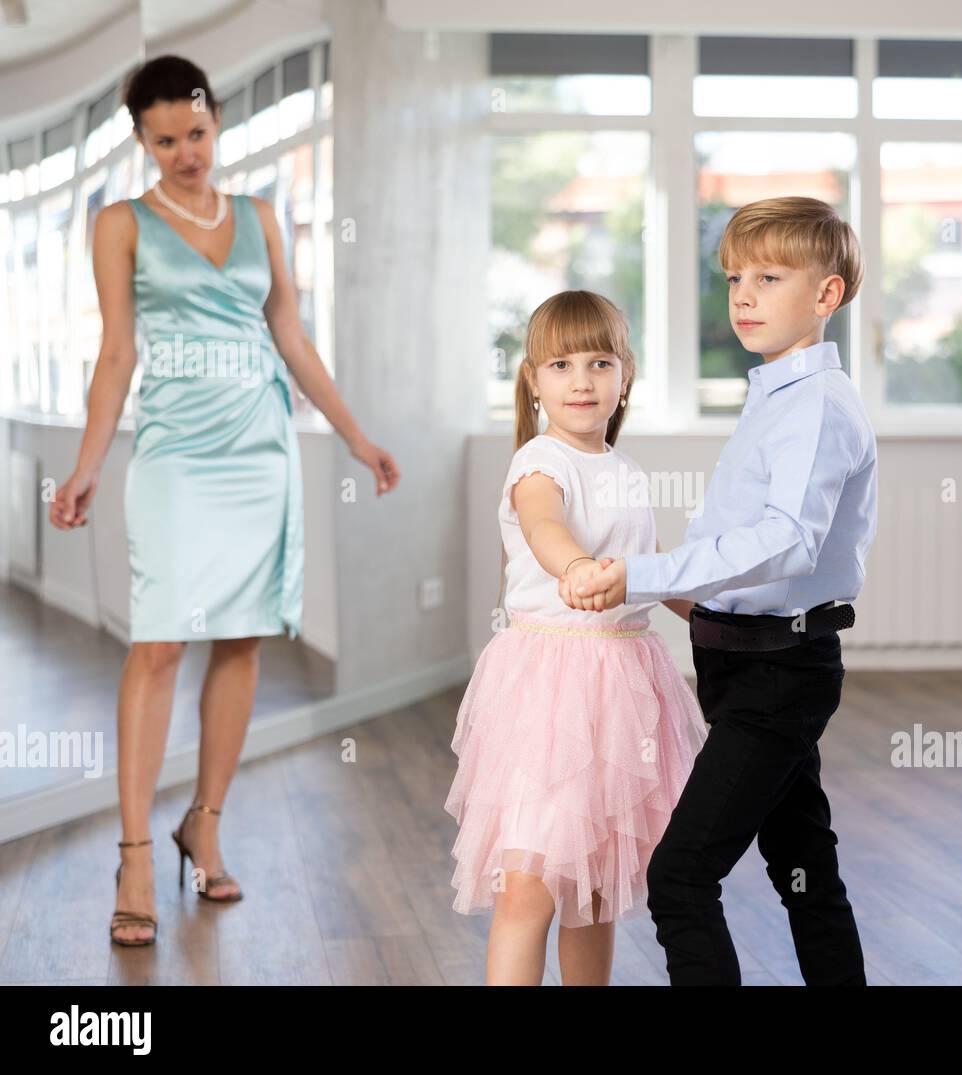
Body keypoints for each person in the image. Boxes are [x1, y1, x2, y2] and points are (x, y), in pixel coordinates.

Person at [48, 55, 400, 947]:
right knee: (159, 642)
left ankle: (203, 825)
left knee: (241, 639)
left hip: (258, 450)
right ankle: (135, 856)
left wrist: (356, 436)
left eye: (197, 133)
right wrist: (88, 465)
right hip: (175, 454)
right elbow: (117, 353)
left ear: (217, 122)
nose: (186, 152)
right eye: (165, 139)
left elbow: (291, 336)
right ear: (141, 141)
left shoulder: (261, 218)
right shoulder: (120, 224)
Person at [559, 196, 878, 985]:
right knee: (804, 866)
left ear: (826, 294)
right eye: (736, 277)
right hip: (743, 665)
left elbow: (789, 538)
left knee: (680, 876)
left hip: (780, 674)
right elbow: (738, 541)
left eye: (769, 278)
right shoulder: (775, 395)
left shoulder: (817, 407)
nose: (743, 296)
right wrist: (673, 588)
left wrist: (639, 574)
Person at [444, 289, 708, 985]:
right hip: (549, 687)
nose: (582, 381)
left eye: (600, 363)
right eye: (561, 365)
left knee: (594, 886)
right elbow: (544, 526)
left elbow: (652, 567)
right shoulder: (540, 463)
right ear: (533, 381)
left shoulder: (626, 471)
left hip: (623, 687)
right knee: (528, 882)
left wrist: (715, 614)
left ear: (626, 374)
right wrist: (576, 567)